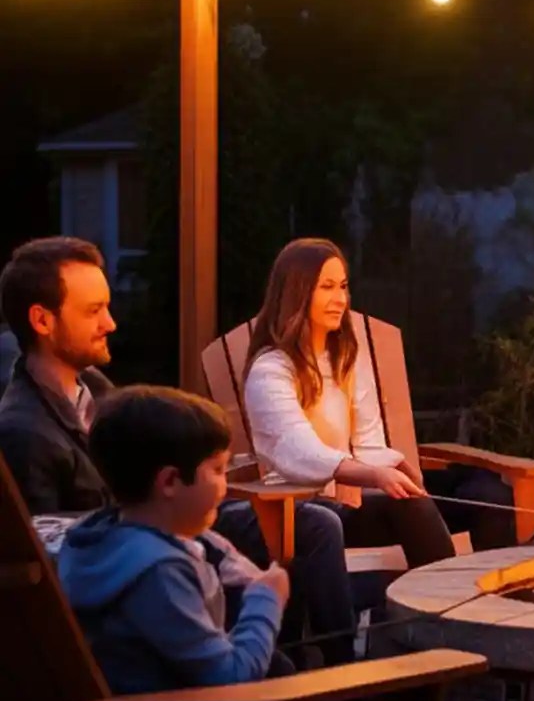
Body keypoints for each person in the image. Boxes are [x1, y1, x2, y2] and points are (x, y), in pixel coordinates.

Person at [0, 237, 359, 666]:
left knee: (315, 524)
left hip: (163, 526)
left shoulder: (94, 389)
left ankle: (332, 666)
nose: (111, 323)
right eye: (94, 310)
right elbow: (54, 564)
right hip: (139, 567)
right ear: (42, 320)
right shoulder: (23, 432)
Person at [239, 237, 514, 572]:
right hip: (309, 513)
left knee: (488, 494)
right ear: (297, 292)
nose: (340, 299)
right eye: (326, 287)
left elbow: (370, 442)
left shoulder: (346, 359)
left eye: (342, 286)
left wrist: (392, 470)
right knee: (409, 505)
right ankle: (444, 611)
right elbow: (298, 450)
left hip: (356, 497)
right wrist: (369, 476)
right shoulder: (270, 371)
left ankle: (496, 606)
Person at [58, 385, 290, 694]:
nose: (225, 485)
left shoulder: (104, 539)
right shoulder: (158, 571)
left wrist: (216, 557)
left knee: (280, 663)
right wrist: (266, 598)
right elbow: (231, 678)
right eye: (219, 469)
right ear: (170, 481)